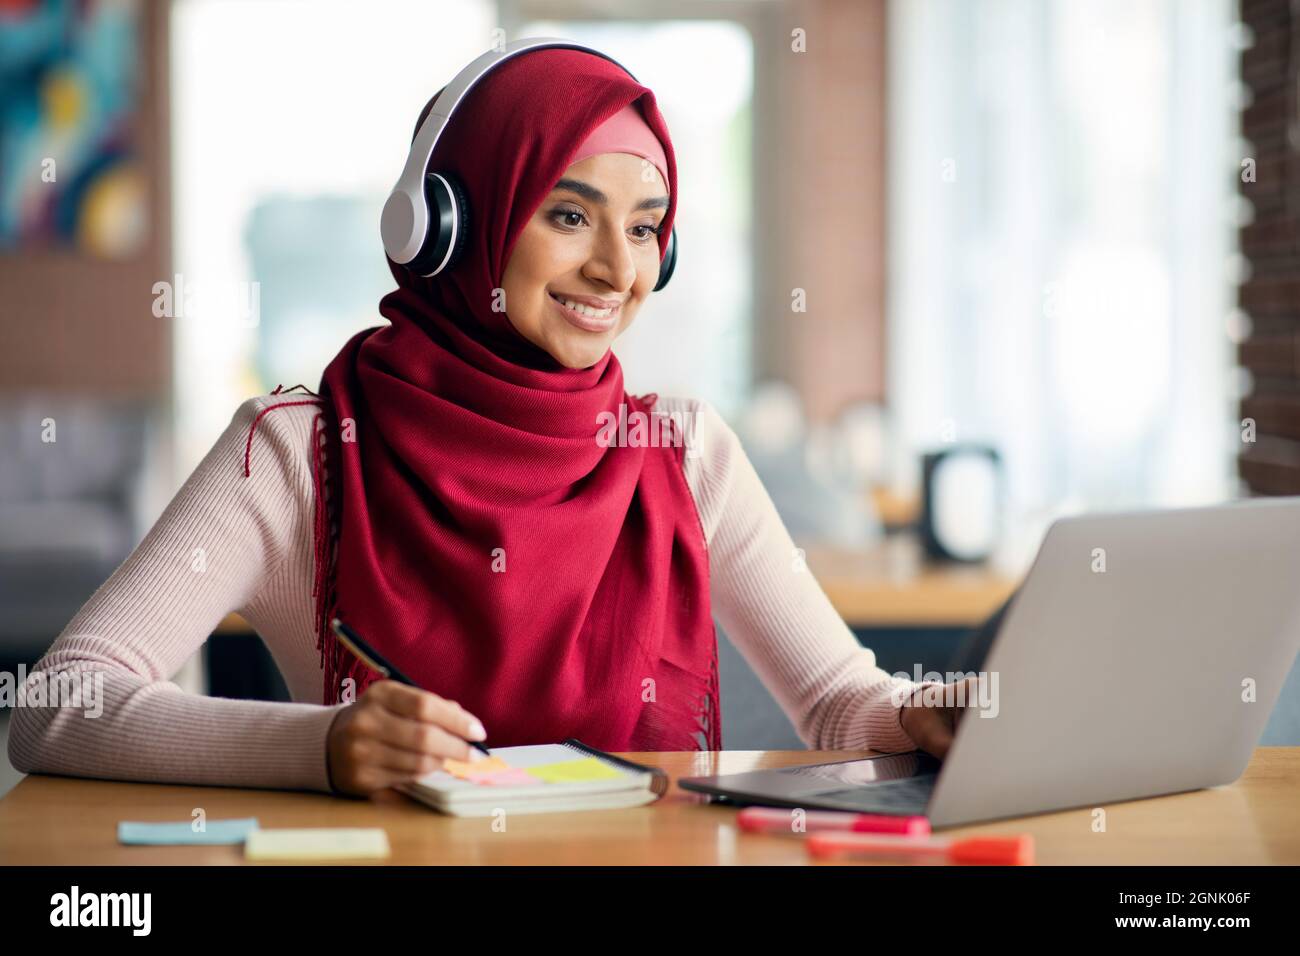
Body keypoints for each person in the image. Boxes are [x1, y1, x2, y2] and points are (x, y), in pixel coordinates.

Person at [8, 47, 974, 799]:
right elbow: (56, 704)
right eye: (568, 215)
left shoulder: (682, 453)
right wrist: (322, 746)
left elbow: (846, 706)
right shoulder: (297, 450)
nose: (617, 270)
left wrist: (928, 716)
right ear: (446, 225)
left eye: (645, 229)